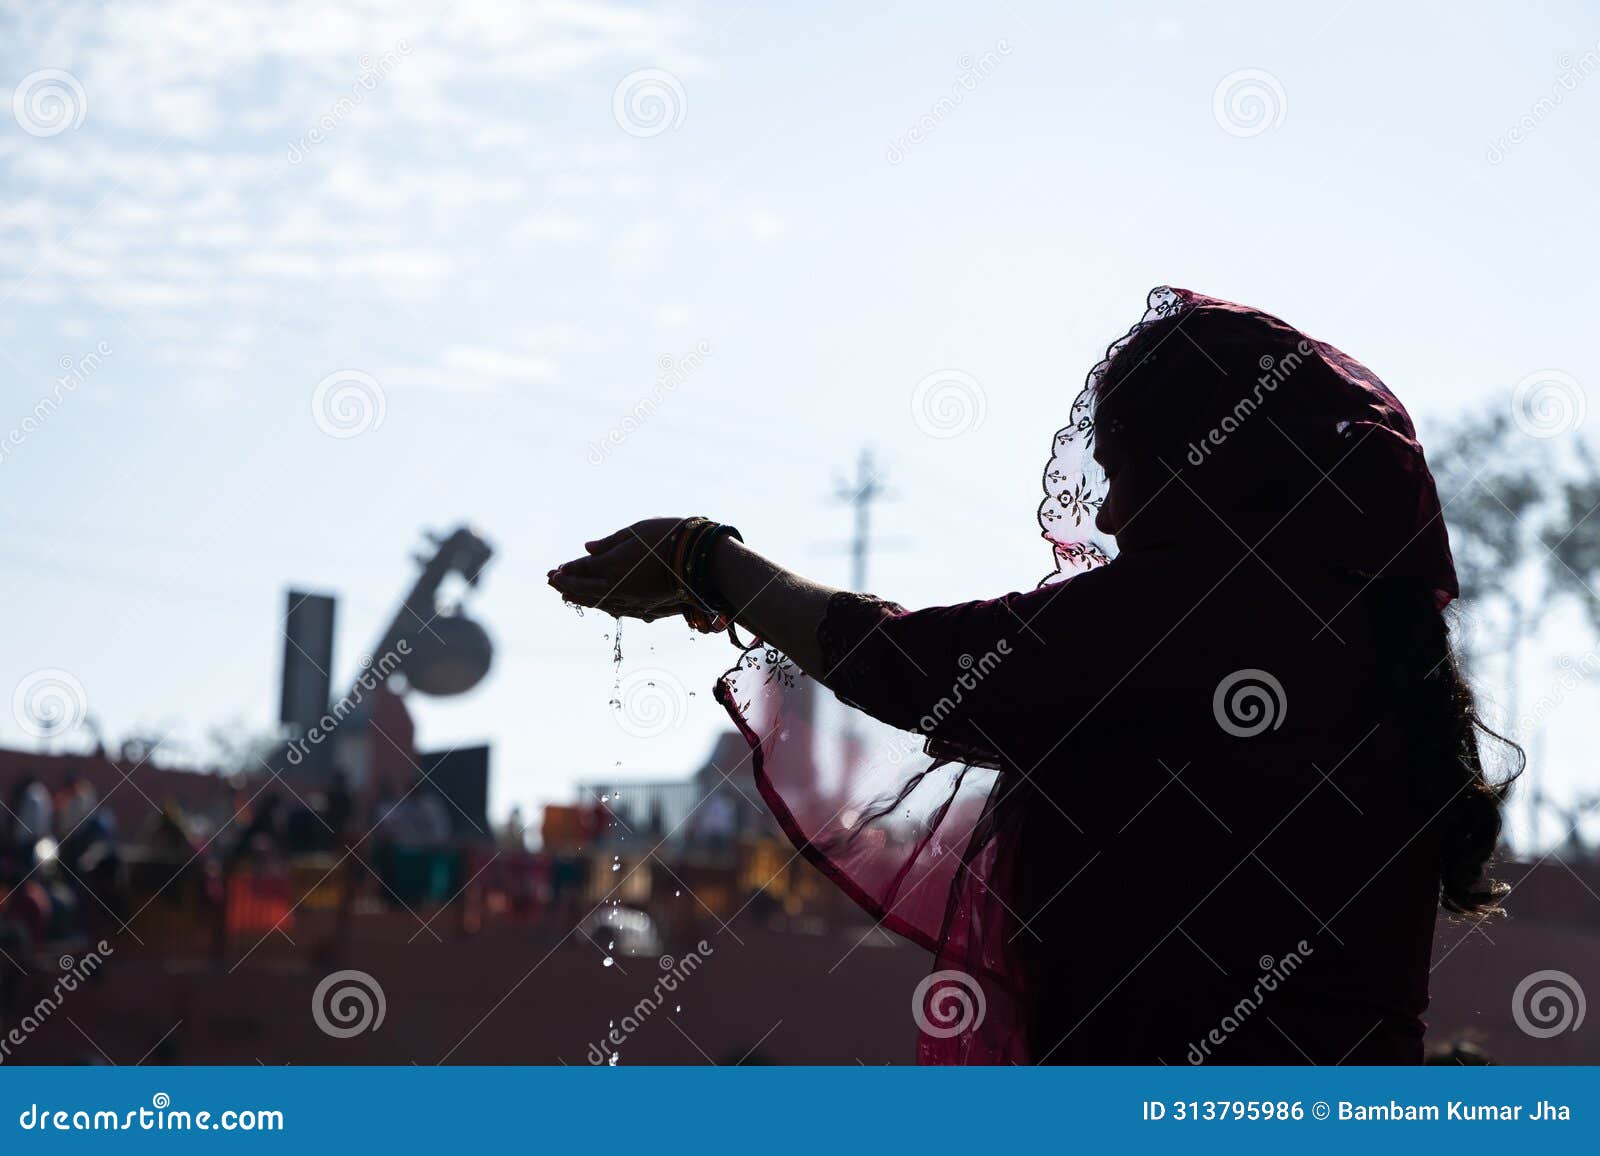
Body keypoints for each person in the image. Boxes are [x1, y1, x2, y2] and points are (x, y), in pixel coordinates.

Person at [549, 286, 1519, 1065]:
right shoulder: (1358, 636)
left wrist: (707, 559)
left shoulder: (1201, 605)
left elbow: (913, 667)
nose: (1109, 517)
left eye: (1123, 471)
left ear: (1200, 467)